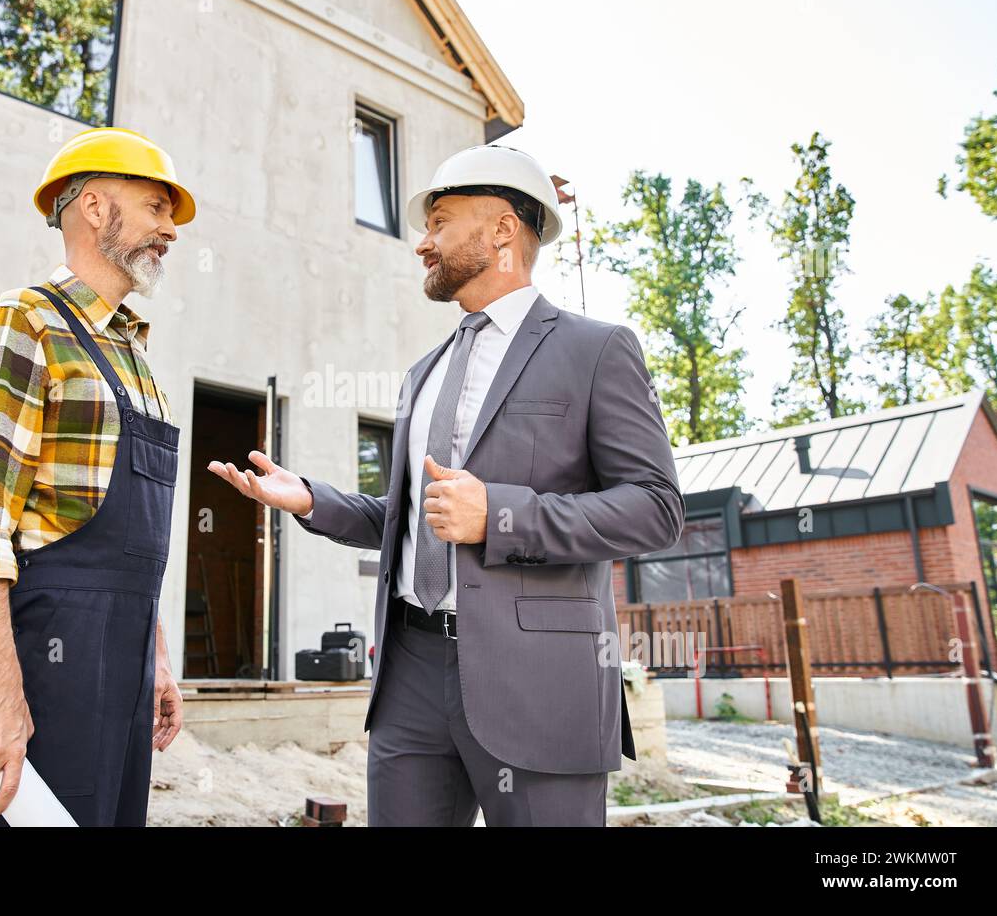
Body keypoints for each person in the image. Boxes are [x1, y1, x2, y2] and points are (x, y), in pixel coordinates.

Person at [209, 144, 683, 826]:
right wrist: (312, 500)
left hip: (540, 685)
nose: (422, 244)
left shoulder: (596, 350)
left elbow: (656, 509)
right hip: (410, 676)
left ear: (501, 231)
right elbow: (415, 519)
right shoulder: (423, 373)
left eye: (440, 222)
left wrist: (502, 517)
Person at [0, 127, 193, 826]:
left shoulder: (134, 353)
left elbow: (138, 545)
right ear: (97, 208)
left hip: (128, 652)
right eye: (156, 208)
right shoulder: (24, 322)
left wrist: (156, 657)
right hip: (51, 655)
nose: (170, 230)